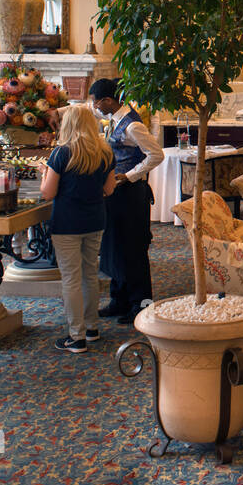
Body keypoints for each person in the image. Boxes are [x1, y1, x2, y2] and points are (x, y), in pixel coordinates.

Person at [40, 104, 116, 353]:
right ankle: (91, 327)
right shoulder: (105, 153)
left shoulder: (61, 153)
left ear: (68, 124)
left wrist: (44, 173)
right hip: (95, 220)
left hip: (67, 223)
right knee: (90, 274)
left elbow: (48, 193)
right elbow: (109, 190)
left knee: (71, 278)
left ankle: (76, 335)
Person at [89, 79, 163, 323]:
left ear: (108, 101)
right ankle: (118, 300)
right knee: (115, 248)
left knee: (133, 250)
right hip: (115, 194)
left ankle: (139, 304)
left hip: (131, 195)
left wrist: (129, 176)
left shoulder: (132, 126)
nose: (95, 107)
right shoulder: (113, 119)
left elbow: (156, 155)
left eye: (96, 103)